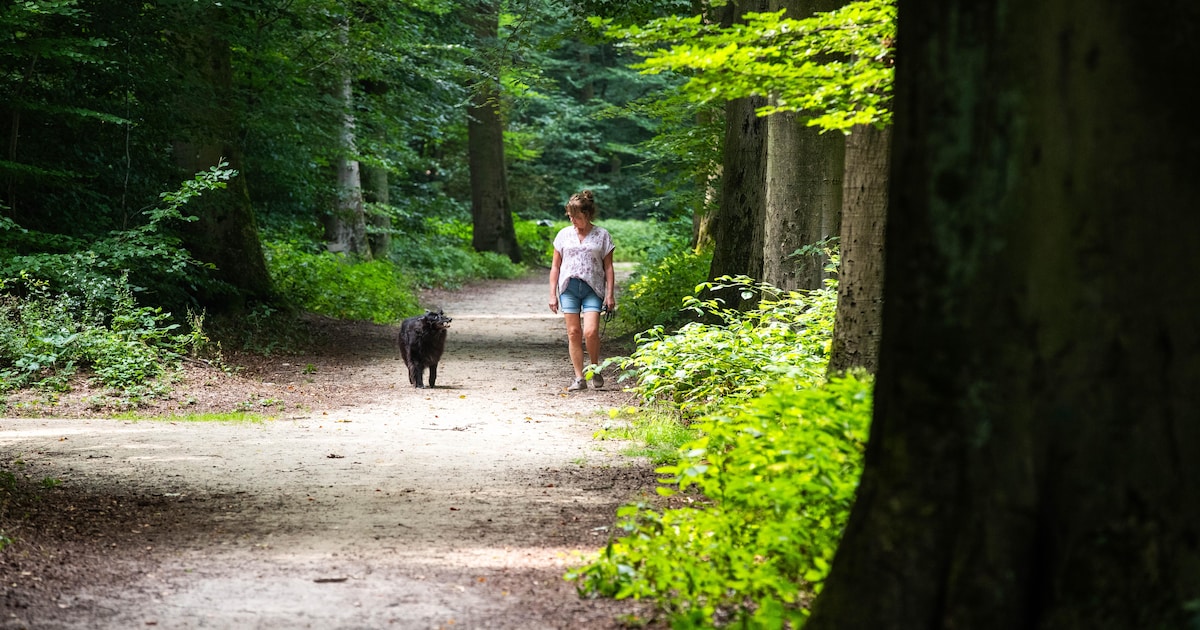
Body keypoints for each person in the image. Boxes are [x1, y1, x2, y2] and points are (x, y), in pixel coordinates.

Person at [548, 190, 616, 391]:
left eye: (576, 216)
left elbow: (609, 267)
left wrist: (610, 294)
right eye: (570, 216)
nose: (573, 220)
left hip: (593, 289)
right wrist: (552, 294)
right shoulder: (563, 235)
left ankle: (594, 368)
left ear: (587, 214)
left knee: (591, 331)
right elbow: (555, 266)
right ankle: (579, 377)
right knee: (573, 332)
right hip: (568, 288)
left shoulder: (602, 235)